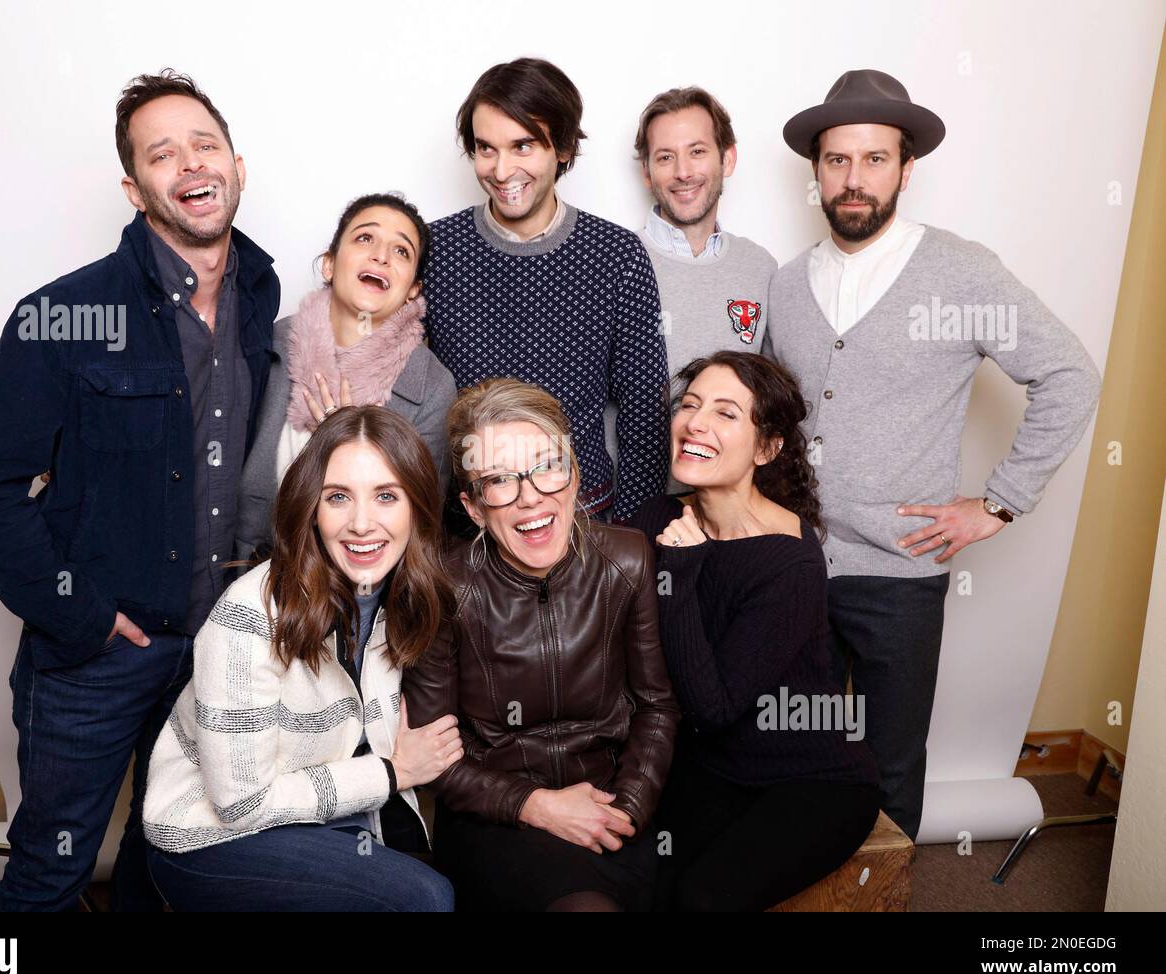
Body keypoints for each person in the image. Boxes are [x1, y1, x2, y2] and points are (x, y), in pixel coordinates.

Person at [0, 69, 282, 910]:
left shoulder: (260, 295)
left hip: (213, 648)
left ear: (239, 164)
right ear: (135, 188)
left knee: (163, 856)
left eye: (204, 144)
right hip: (93, 658)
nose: (190, 164)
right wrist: (80, 612)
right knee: (53, 870)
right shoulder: (63, 313)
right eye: (162, 154)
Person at [764, 69, 1103, 840]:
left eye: (875, 160)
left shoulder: (960, 270)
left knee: (888, 769)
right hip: (796, 563)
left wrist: (998, 501)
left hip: (900, 573)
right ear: (814, 170)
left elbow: (1069, 375)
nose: (855, 180)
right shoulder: (786, 285)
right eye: (838, 161)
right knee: (795, 751)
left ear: (907, 168)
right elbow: (767, 421)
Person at [144, 406, 461, 911]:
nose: (362, 524)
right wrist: (393, 772)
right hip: (210, 838)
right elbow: (239, 805)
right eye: (338, 497)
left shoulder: (400, 596)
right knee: (424, 898)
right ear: (311, 507)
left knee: (442, 877)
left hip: (332, 819)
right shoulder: (248, 616)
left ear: (416, 507)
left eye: (386, 496)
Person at [402, 378, 680, 911]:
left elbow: (657, 707)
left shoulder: (628, 559)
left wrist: (624, 809)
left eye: (546, 466)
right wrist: (536, 806)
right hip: (499, 824)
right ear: (476, 507)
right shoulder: (442, 588)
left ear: (575, 475)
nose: (530, 496)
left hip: (613, 810)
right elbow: (434, 760)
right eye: (500, 481)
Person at [627, 351, 881, 911]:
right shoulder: (655, 518)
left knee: (699, 900)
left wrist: (681, 571)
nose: (696, 423)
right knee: (639, 888)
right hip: (709, 765)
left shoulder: (789, 562)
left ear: (766, 449)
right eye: (689, 406)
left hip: (810, 780)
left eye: (725, 413)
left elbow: (712, 708)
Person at [423, 57, 669, 524]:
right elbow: (400, 392)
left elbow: (645, 416)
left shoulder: (616, 254)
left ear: (562, 148)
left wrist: (630, 537)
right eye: (486, 148)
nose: (501, 169)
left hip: (584, 522)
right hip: (467, 526)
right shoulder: (435, 249)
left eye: (522, 146)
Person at [235, 192, 456, 564]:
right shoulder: (265, 347)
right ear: (329, 264)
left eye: (401, 251)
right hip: (249, 585)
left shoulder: (432, 387)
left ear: (412, 291)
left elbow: (422, 530)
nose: (381, 256)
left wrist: (343, 438)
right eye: (365, 238)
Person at [635, 86, 777, 369]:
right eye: (665, 157)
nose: (683, 172)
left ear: (727, 159)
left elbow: (769, 394)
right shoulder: (612, 263)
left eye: (697, 151)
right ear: (647, 173)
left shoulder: (760, 268)